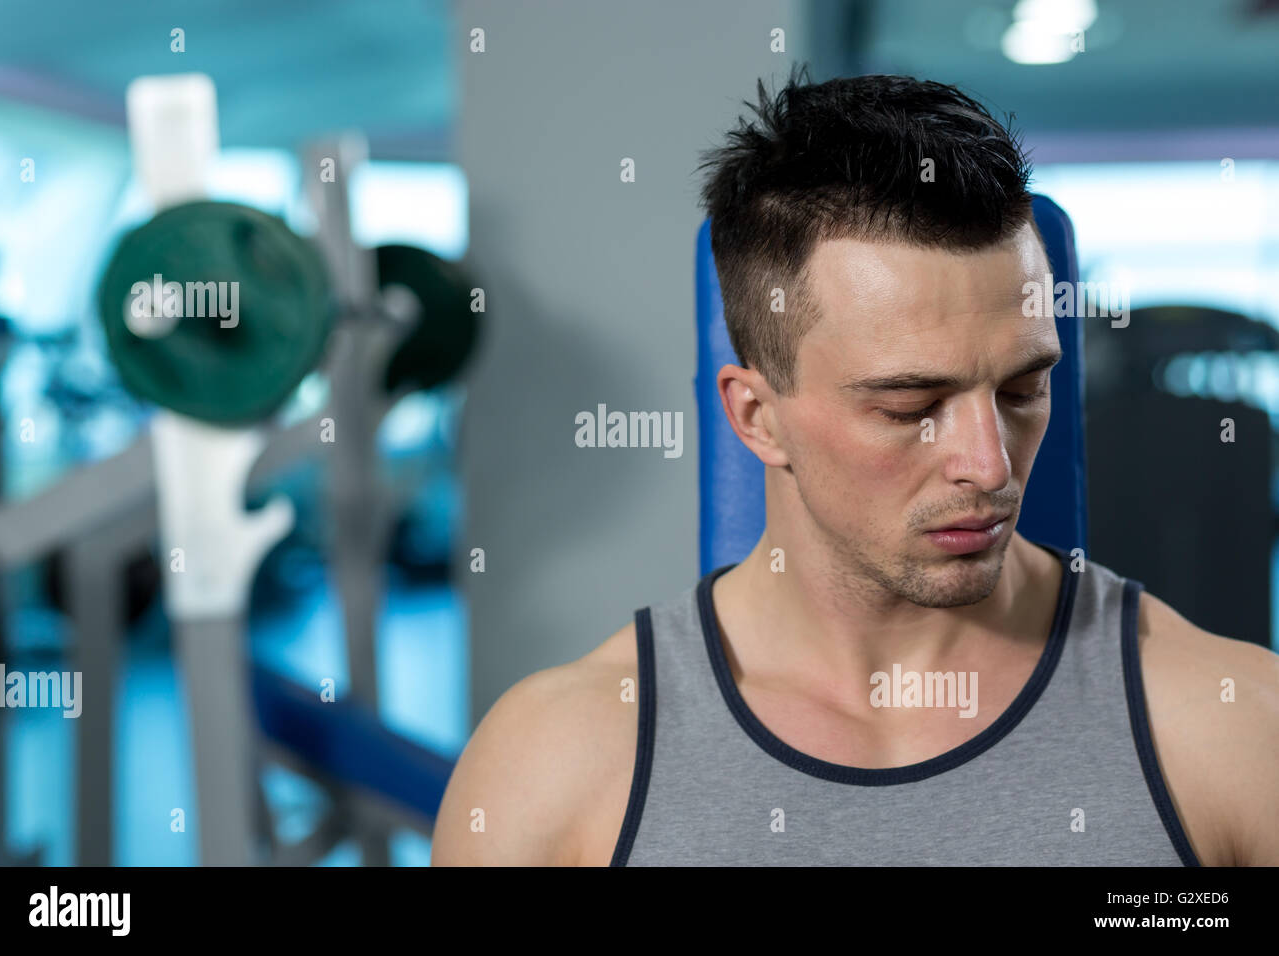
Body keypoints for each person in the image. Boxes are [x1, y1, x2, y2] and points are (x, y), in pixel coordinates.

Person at [431, 68, 1279, 866]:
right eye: (909, 408)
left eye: (1024, 389)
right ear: (756, 417)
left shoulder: (1229, 727)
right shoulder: (554, 767)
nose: (989, 466)